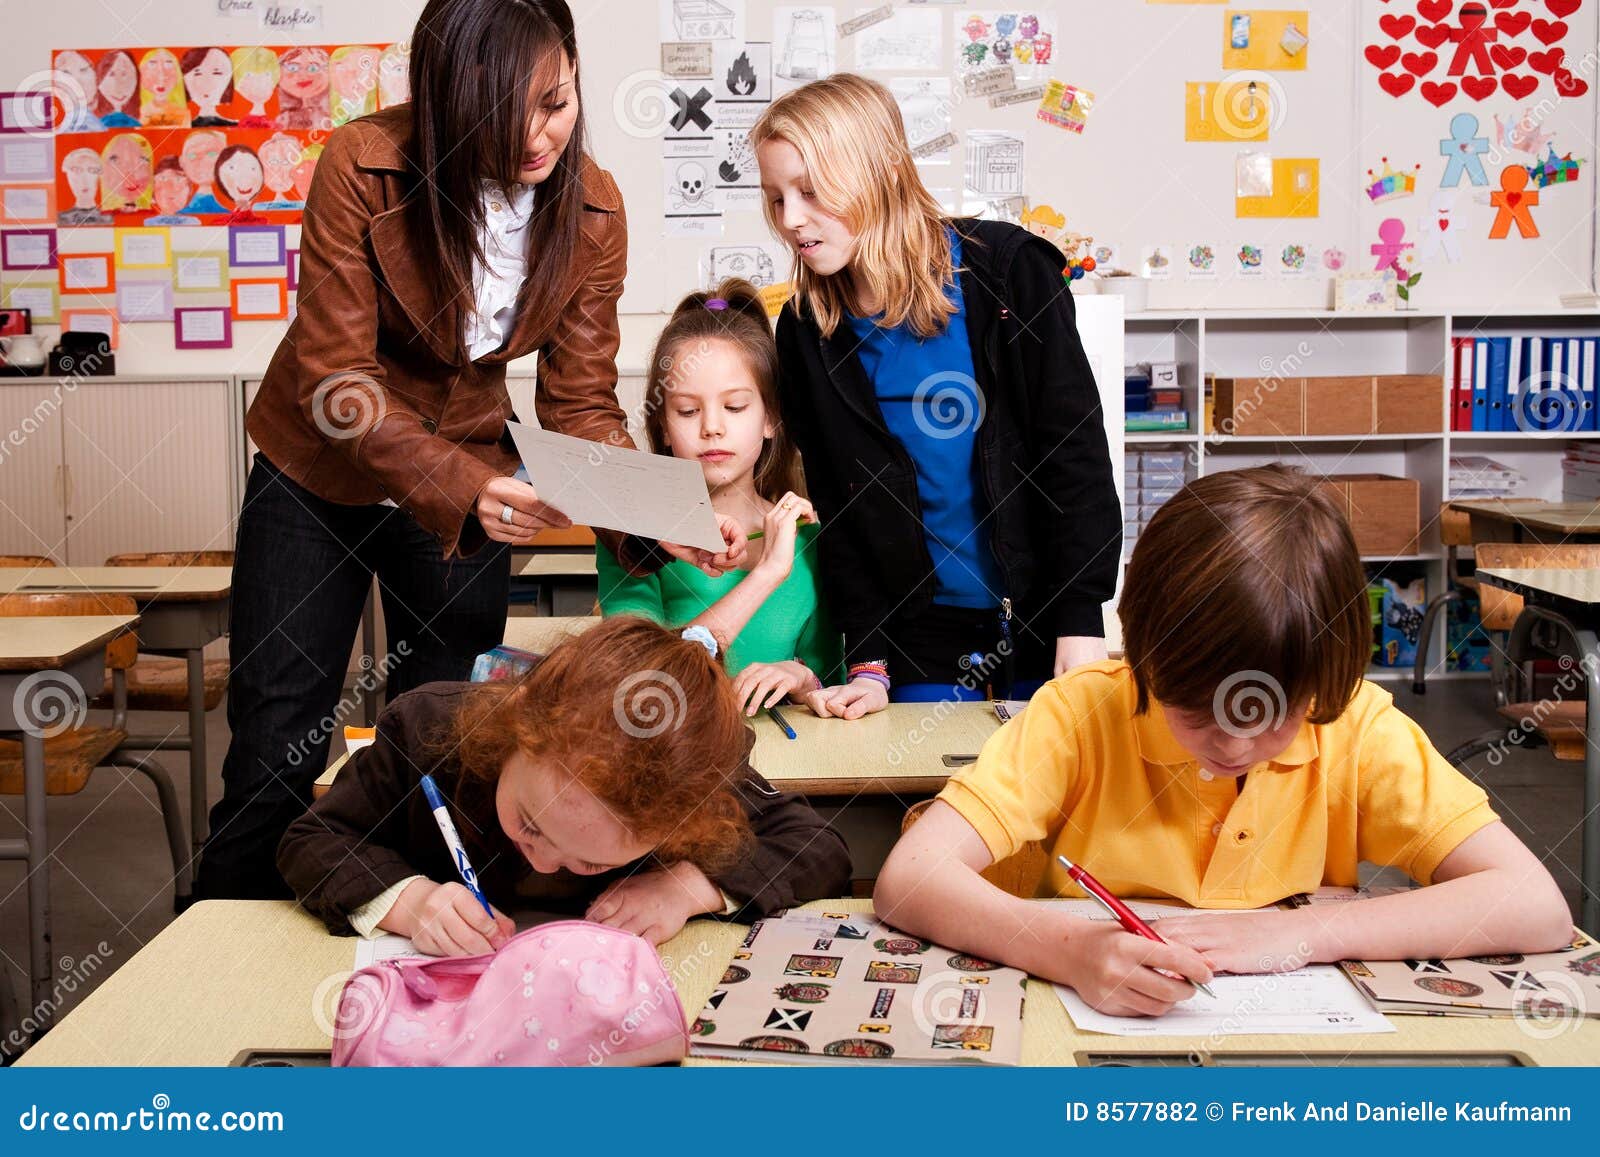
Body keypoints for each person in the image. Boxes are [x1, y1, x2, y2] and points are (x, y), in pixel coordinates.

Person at [200, 0, 741, 902]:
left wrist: (656, 512)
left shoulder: (594, 206)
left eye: (557, 102)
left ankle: (424, 947)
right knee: (274, 743)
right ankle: (209, 997)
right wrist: (465, 480)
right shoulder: (360, 163)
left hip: (463, 490)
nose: (539, 138)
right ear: (449, 102)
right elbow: (336, 379)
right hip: (317, 476)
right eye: (506, 115)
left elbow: (578, 403)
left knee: (452, 754)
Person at [875, 466, 1574, 1017]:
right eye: (1199, 712)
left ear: (1322, 680)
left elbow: (1535, 905)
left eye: (1273, 716)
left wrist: (1298, 936)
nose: (1237, 744)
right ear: (1146, 658)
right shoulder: (1082, 711)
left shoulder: (1355, 726)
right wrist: (1069, 951)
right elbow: (909, 879)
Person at [752, 74, 1119, 716]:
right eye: (776, 197)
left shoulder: (1011, 275)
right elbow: (840, 503)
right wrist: (868, 662)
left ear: (879, 173)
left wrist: (1080, 617)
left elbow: (1075, 457)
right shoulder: (806, 328)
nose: (791, 220)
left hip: (1043, 621)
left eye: (811, 192)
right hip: (919, 636)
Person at [279, 617, 851, 951]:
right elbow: (312, 841)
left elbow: (815, 844)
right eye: (530, 824)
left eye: (593, 863)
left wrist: (686, 887)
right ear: (519, 722)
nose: (548, 865)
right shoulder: (426, 731)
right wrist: (411, 901)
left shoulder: (695, 775)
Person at [597, 280, 846, 717]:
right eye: (688, 411)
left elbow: (830, 678)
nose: (711, 427)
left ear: (771, 418)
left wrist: (802, 677)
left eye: (734, 407)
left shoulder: (808, 539)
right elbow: (645, 680)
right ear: (663, 429)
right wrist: (766, 573)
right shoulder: (633, 537)